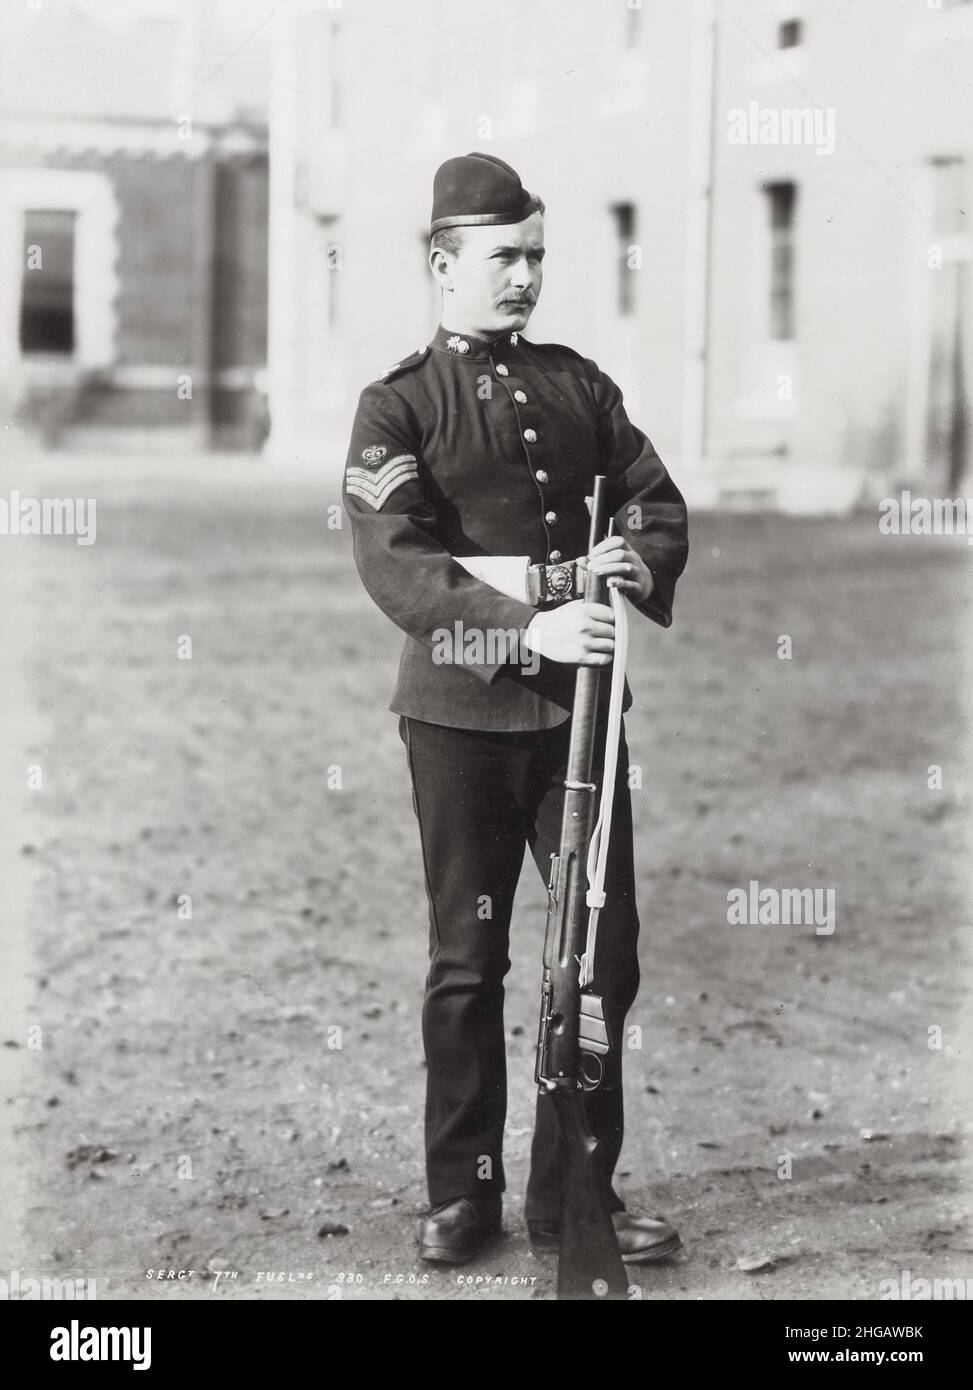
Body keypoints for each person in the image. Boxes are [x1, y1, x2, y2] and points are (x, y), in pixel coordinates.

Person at [343, 152, 689, 1266]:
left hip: (580, 720)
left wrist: (628, 560)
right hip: (457, 717)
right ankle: (464, 1193)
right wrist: (528, 621)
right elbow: (400, 566)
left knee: (601, 951)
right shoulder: (397, 405)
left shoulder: (578, 386)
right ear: (444, 266)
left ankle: (572, 1195)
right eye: (505, 258)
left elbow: (652, 498)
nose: (526, 277)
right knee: (466, 958)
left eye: (537, 256)